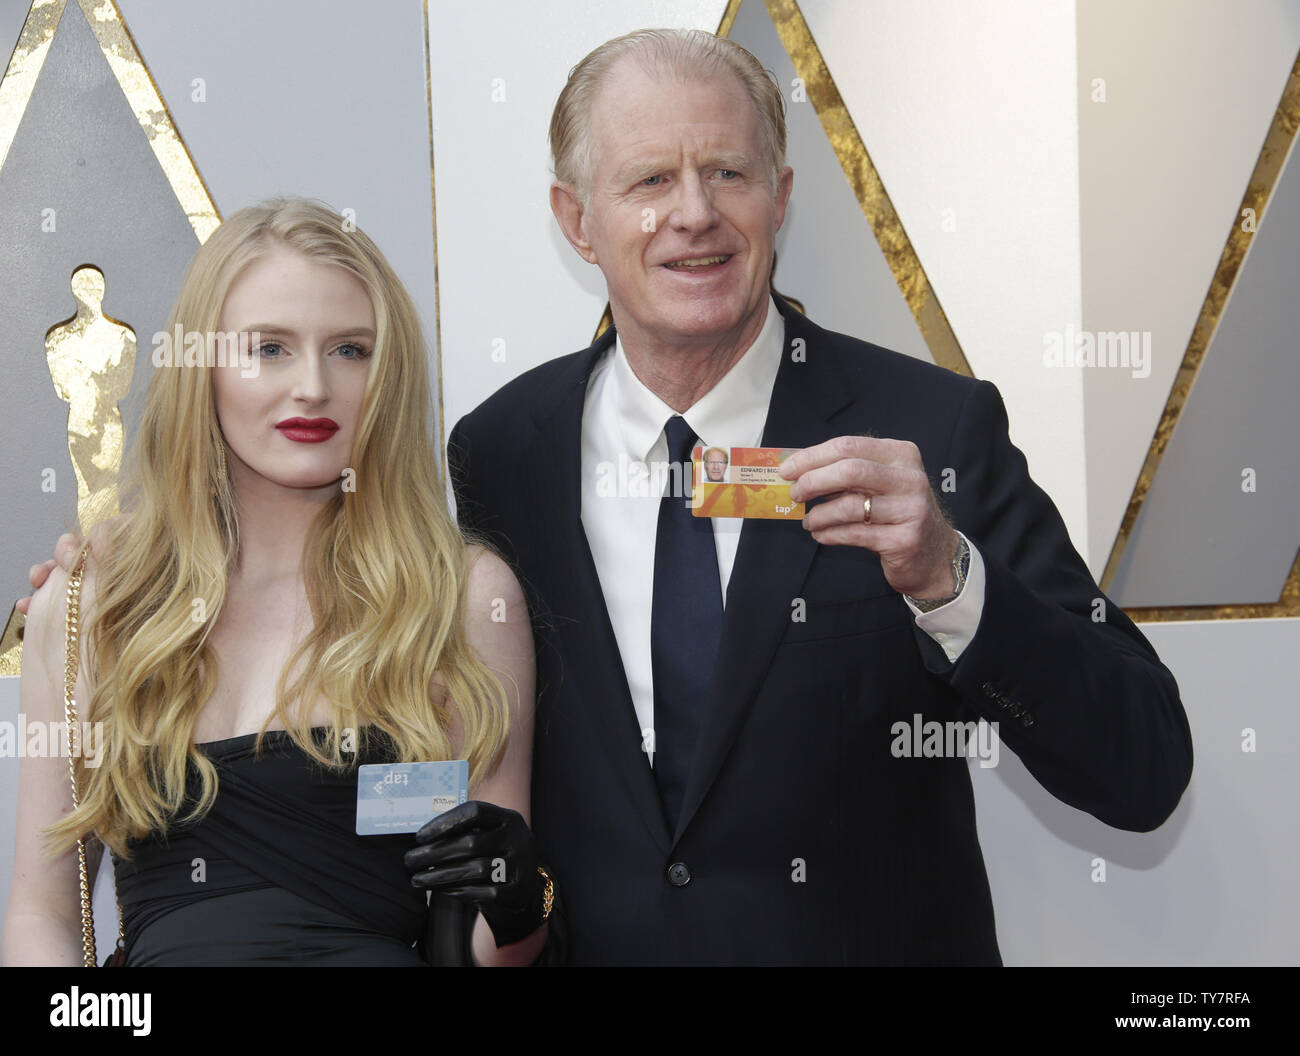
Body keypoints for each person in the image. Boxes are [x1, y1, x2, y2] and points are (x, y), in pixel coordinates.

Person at [446, 29, 1193, 964]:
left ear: (782, 195)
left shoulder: (931, 426)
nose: (694, 215)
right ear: (576, 218)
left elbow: (1145, 767)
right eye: (648, 182)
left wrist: (949, 578)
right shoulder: (503, 452)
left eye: (727, 173)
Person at [4, 199, 551, 966]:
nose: (313, 388)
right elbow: (42, 918)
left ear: (388, 373)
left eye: (351, 350)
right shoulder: (94, 602)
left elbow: (491, 946)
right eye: (269, 348)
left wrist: (523, 899)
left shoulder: (458, 598)